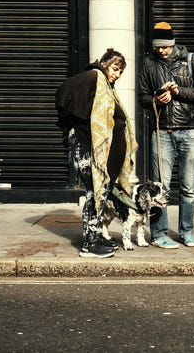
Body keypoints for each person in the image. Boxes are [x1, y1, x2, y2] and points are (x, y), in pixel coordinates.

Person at [55, 48, 137, 259]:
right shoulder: (93, 76)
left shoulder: (105, 86)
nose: (117, 74)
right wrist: (75, 124)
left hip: (97, 154)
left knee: (98, 193)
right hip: (86, 150)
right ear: (103, 63)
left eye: (120, 72)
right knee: (94, 193)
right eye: (115, 69)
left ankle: (95, 234)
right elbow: (64, 91)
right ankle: (89, 244)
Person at [138, 21, 194, 249]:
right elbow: (141, 96)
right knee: (161, 188)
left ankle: (186, 232)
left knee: (188, 188)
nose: (160, 50)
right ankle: (159, 234)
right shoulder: (148, 63)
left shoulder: (191, 60)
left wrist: (178, 91)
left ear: (172, 43)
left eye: (164, 46)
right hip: (162, 132)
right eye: (157, 47)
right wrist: (155, 101)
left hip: (190, 131)